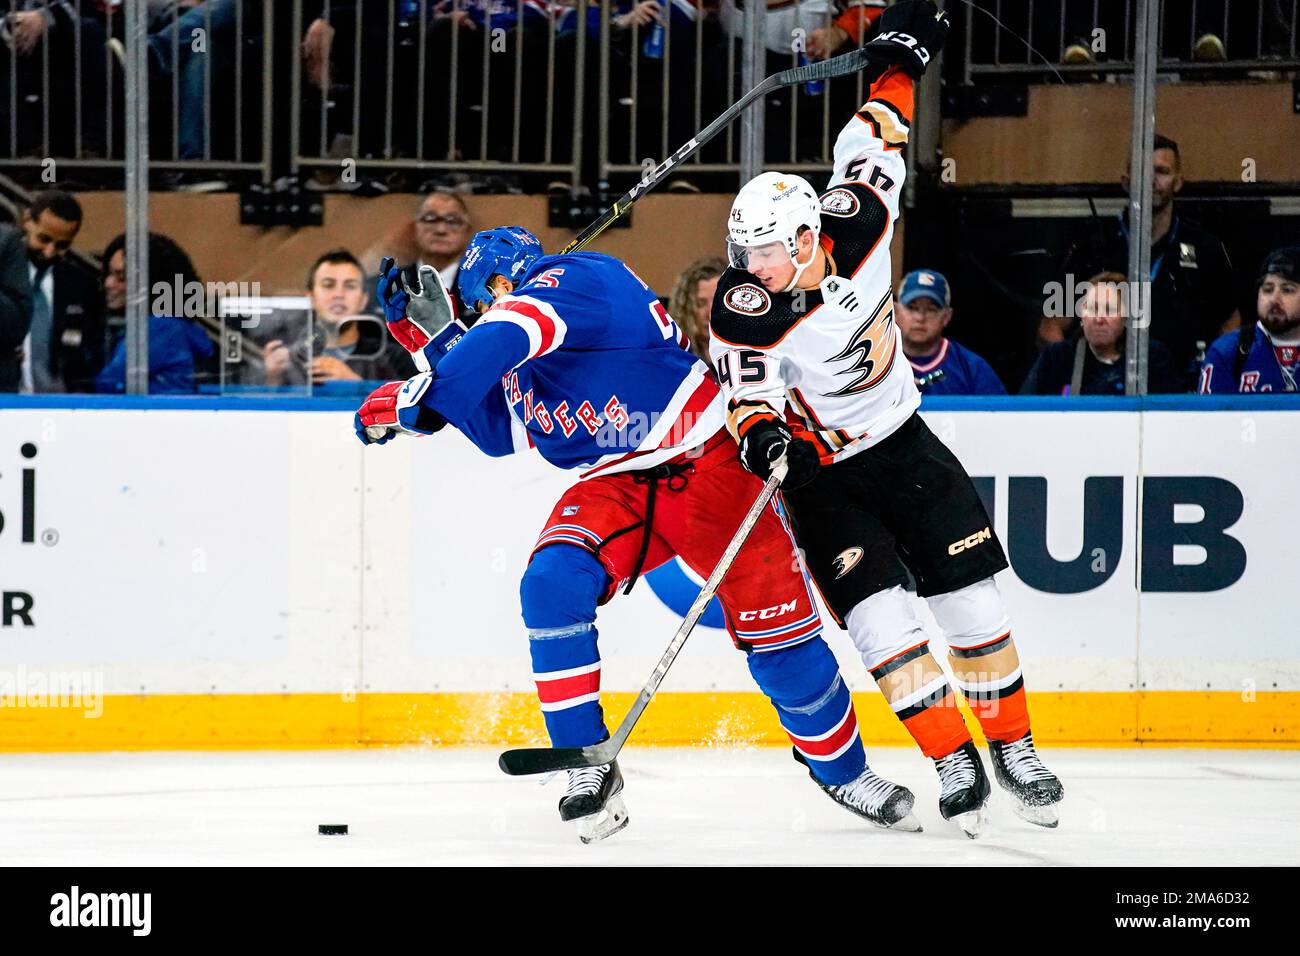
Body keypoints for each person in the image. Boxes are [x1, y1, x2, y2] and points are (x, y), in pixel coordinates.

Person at [354, 226, 922, 842]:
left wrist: (415, 399)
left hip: (712, 466)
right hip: (619, 487)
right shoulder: (525, 355)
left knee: (783, 642)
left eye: (478, 306)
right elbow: (492, 429)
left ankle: (843, 770)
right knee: (550, 585)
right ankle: (584, 764)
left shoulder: (574, 281)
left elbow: (488, 349)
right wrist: (429, 340)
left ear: (498, 284)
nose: (479, 318)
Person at [709, 0, 1063, 837]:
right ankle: (950, 755)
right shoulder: (746, 306)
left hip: (905, 442)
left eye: (766, 252)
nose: (751, 269)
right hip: (823, 476)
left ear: (807, 236)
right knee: (881, 624)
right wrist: (762, 436)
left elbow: (875, 132)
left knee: (972, 604)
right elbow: (747, 392)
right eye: (743, 254)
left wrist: (899, 56)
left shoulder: (860, 219)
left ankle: (1013, 746)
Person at [1056, 134, 1238, 385]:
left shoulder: (1206, 248)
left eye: (1162, 171)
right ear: (1125, 181)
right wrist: (1084, 377)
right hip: (1106, 397)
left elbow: (1231, 325)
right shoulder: (1091, 247)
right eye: (1142, 172)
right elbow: (1050, 328)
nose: (1151, 180)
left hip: (1185, 396)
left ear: (1178, 181)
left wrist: (1213, 376)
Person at [262, 249, 416, 389]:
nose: (339, 294)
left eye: (350, 286)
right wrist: (272, 380)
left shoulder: (394, 358)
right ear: (311, 297)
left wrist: (357, 386)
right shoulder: (286, 358)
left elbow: (411, 411)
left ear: (364, 300)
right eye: (328, 285)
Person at [1021, 272, 1185, 396]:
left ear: (1125, 318)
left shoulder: (1151, 358)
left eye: (1109, 310)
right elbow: (1024, 411)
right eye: (1092, 308)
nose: (1099, 318)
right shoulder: (1056, 358)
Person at [95, 232, 215, 394]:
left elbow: (108, 382)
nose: (108, 283)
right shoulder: (174, 326)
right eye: (109, 274)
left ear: (152, 282)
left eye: (121, 277)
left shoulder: (159, 327)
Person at [11, 191, 104, 394]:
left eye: (62, 245)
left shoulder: (81, 285)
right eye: (44, 239)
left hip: (61, 406)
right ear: (27, 221)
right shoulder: (4, 273)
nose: (50, 251)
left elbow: (89, 353)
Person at [1199, 246, 1300, 394]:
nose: (1274, 299)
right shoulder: (1227, 352)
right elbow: (1209, 415)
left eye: (1287, 290)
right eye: (1267, 289)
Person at [895, 269, 1006, 395]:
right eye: (912, 308)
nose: (920, 318)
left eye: (931, 309)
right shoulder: (876, 364)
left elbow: (1000, 413)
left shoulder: (972, 367)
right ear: (896, 311)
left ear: (947, 316)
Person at [667, 255, 726, 361]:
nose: (710, 314)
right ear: (685, 309)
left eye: (718, 302)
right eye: (700, 304)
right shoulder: (675, 361)